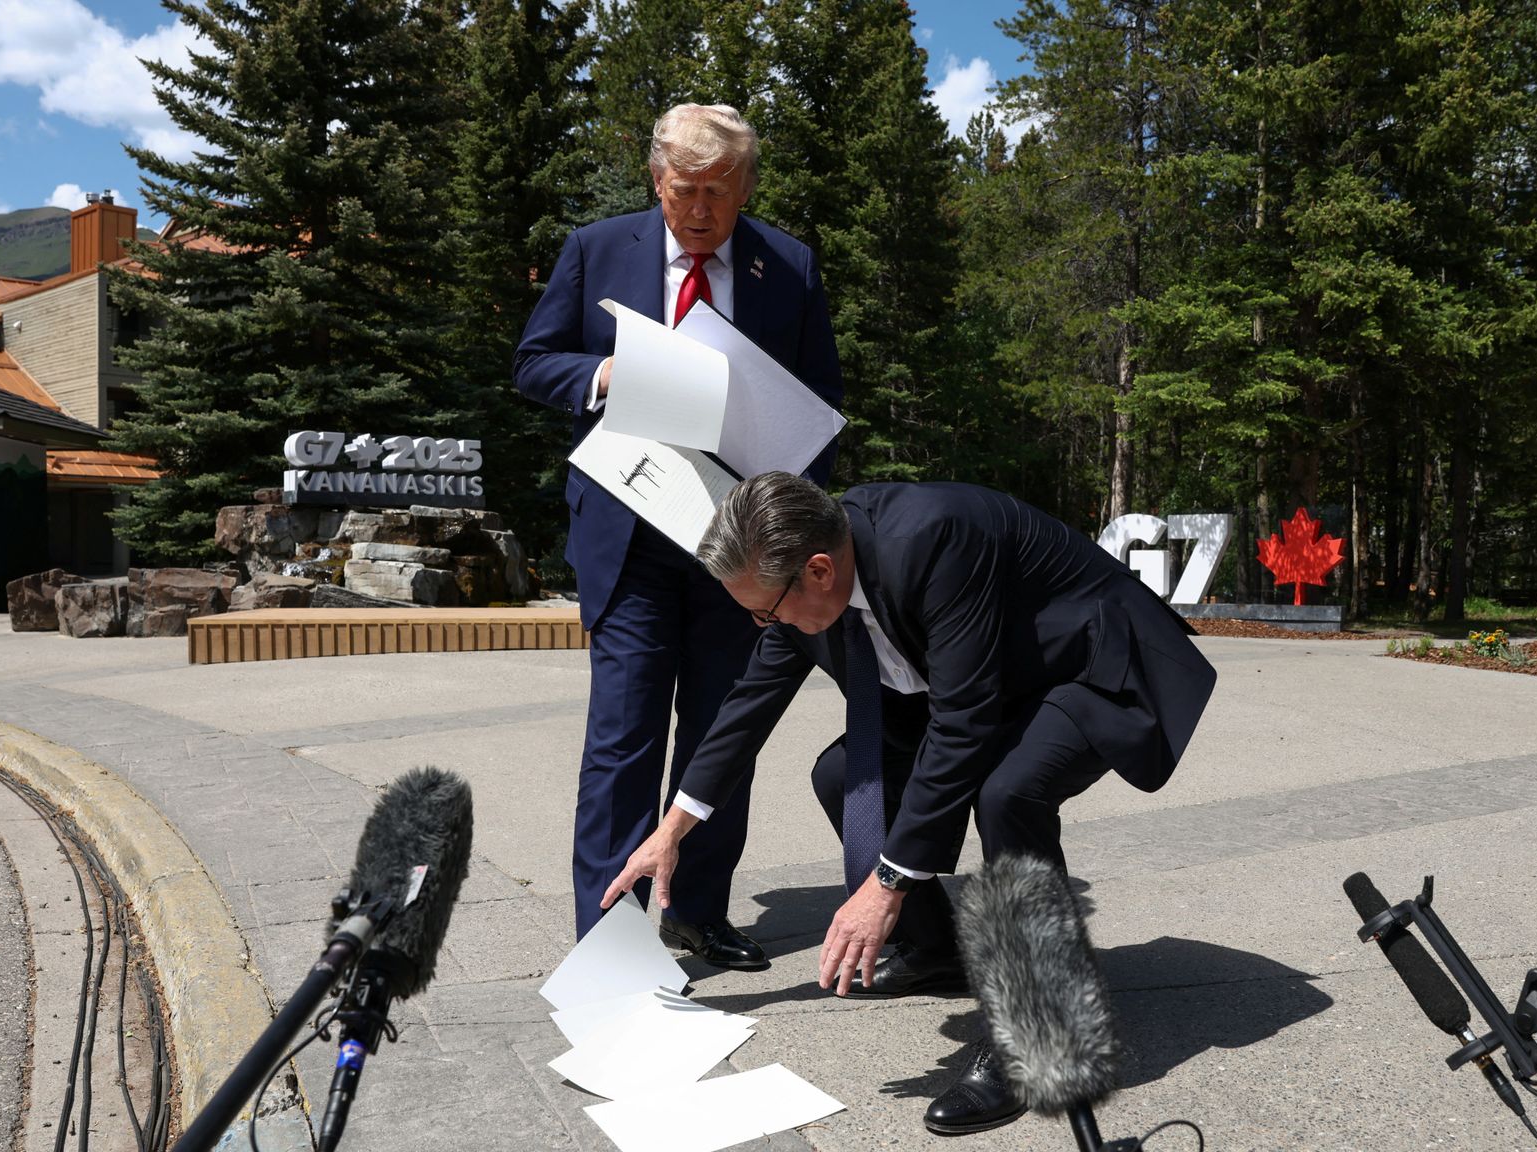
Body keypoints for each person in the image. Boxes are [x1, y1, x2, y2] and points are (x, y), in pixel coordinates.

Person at [602, 473, 1217, 1135]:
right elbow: (748, 707)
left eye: (765, 610)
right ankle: (937, 951)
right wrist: (674, 829)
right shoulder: (804, 581)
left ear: (817, 569)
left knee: (1009, 791)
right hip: (993, 681)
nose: (763, 624)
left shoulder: (931, 538)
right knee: (844, 775)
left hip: (1085, 661)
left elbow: (964, 725)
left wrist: (887, 883)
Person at [514, 105, 843, 963]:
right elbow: (533, 362)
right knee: (622, 744)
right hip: (628, 537)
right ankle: (610, 946)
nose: (700, 211)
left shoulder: (792, 267)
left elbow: (821, 409)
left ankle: (696, 911)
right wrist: (604, 374)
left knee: (718, 737)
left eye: (719, 193)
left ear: (746, 186)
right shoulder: (596, 249)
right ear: (656, 179)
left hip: (734, 548)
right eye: (685, 190)